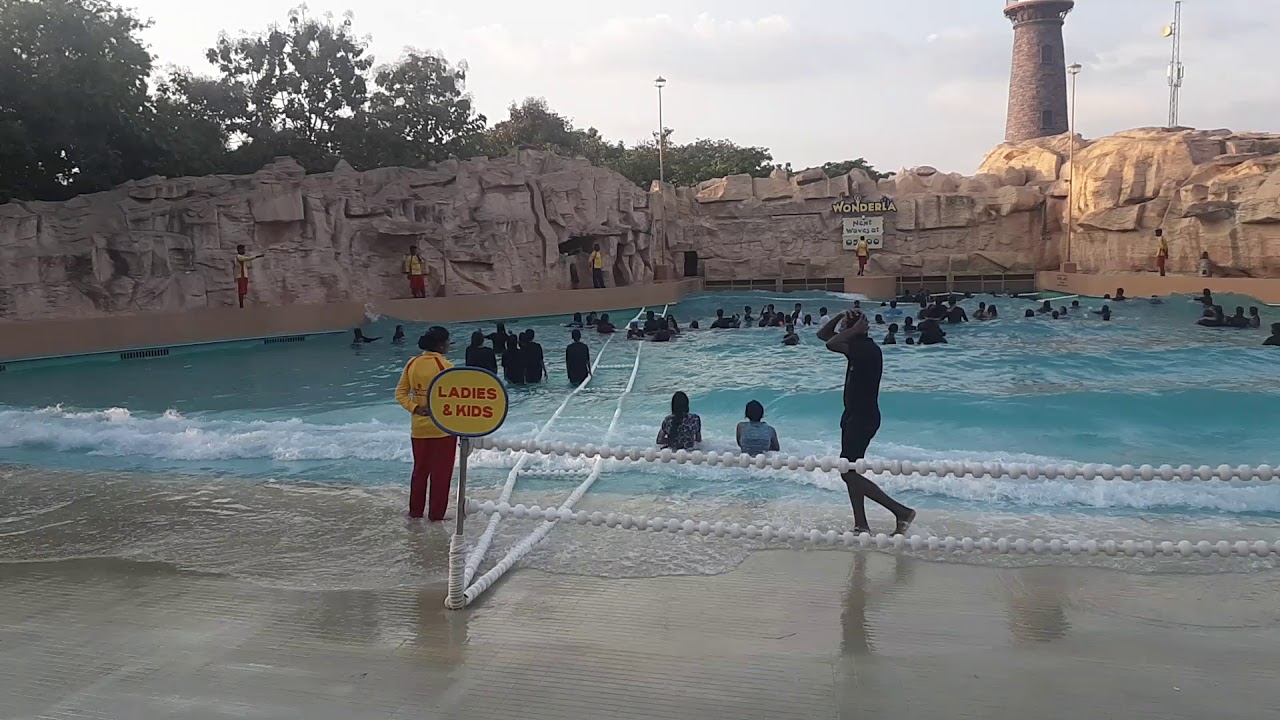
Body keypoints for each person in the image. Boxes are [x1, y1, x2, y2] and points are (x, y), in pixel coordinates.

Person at [817, 310, 915, 535]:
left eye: (844, 327)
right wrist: (841, 314)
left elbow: (830, 344)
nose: (841, 331)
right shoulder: (856, 346)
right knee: (851, 469)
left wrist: (854, 329)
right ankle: (861, 524)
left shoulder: (865, 349)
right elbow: (823, 335)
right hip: (853, 415)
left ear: (854, 330)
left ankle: (901, 512)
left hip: (863, 417)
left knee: (847, 472)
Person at [394, 326, 457, 520]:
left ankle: (415, 512)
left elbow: (400, 393)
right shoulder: (446, 367)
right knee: (441, 474)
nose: (449, 345)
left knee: (420, 472)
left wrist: (415, 407)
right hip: (442, 431)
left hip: (418, 429)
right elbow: (453, 401)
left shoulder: (412, 363)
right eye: (447, 341)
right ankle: (436, 515)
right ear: (440, 344)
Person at [233, 244, 264, 309]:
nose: (244, 250)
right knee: (241, 291)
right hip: (241, 275)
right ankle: (241, 305)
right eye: (243, 249)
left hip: (243, 275)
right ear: (239, 250)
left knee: (243, 290)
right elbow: (247, 258)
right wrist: (257, 256)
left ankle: (241, 304)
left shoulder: (240, 257)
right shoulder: (239, 257)